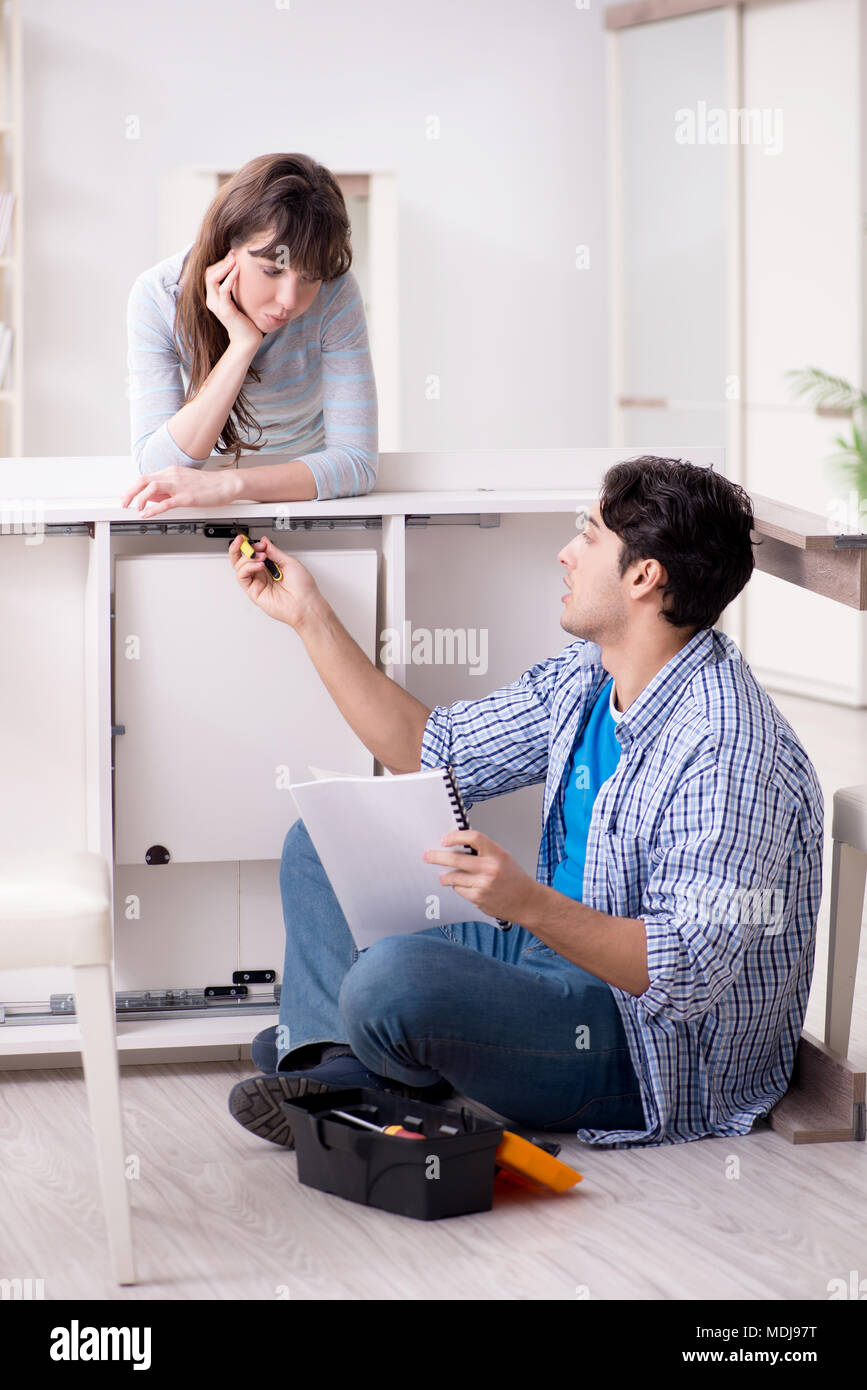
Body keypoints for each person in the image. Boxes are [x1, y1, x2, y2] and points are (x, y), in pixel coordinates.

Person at [226, 455, 824, 1149]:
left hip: (646, 1047)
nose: (566, 553)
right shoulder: (589, 674)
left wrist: (523, 901)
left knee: (388, 984)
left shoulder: (727, 748)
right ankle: (349, 1068)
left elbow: (683, 972)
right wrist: (308, 616)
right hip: (544, 957)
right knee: (322, 841)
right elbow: (432, 748)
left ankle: (345, 1057)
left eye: (588, 535)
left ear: (642, 576)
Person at [121, 152, 378, 519]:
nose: (290, 302)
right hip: (200, 504)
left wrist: (232, 485)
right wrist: (241, 346)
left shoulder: (336, 292)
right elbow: (155, 466)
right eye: (272, 271)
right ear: (227, 248)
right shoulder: (159, 296)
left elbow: (357, 462)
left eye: (309, 278)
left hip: (304, 496)